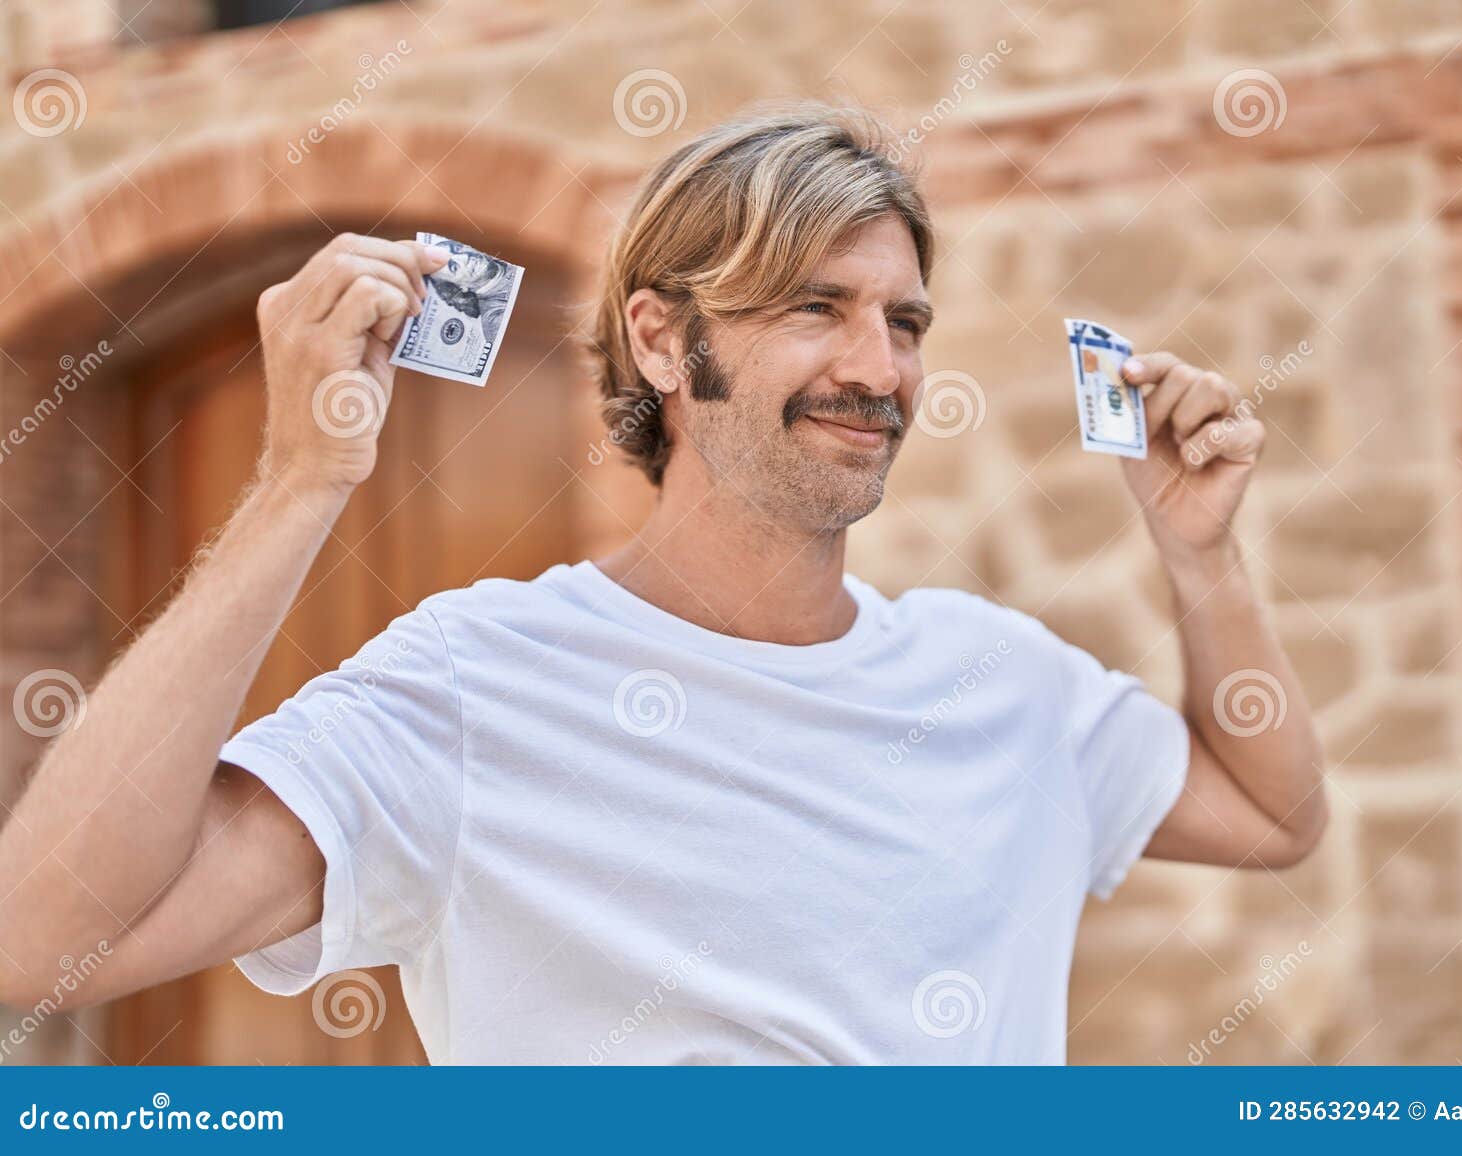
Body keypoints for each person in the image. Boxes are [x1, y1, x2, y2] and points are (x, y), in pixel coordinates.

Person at [0, 101, 1325, 1064]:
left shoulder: (1003, 679)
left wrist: (1200, 556)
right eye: (815, 307)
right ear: (661, 337)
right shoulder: (471, 681)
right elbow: (44, 938)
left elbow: (1275, 815)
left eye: (904, 320)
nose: (880, 367)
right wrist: (299, 484)